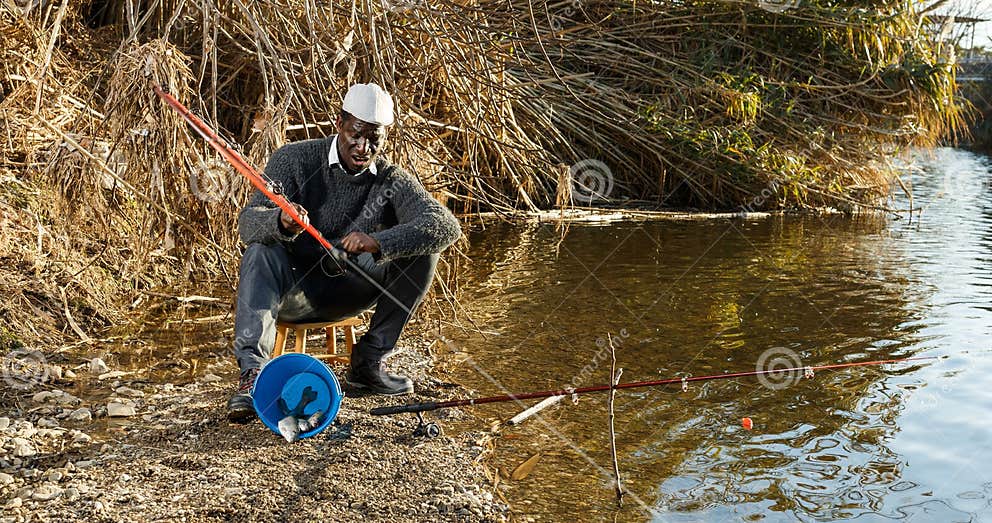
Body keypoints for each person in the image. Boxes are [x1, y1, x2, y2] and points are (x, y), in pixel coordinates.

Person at [226, 83, 461, 423]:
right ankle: (254, 376)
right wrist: (280, 221)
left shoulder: (392, 180)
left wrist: (379, 242)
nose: (364, 147)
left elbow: (446, 225)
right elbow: (248, 224)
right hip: (295, 291)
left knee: (425, 248)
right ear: (340, 123)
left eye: (375, 137)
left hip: (352, 288)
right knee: (260, 251)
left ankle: (369, 362)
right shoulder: (294, 159)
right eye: (356, 134)